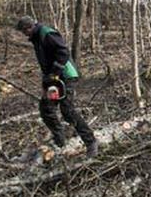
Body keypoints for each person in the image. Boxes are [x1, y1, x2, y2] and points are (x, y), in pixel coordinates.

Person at [14, 16, 99, 157]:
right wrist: (47, 80)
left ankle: (91, 142)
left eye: (24, 31)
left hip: (66, 75)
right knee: (46, 109)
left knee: (67, 110)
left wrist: (55, 72)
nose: (24, 34)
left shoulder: (47, 33)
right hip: (53, 78)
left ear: (29, 27)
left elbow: (63, 52)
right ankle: (60, 141)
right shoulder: (36, 37)